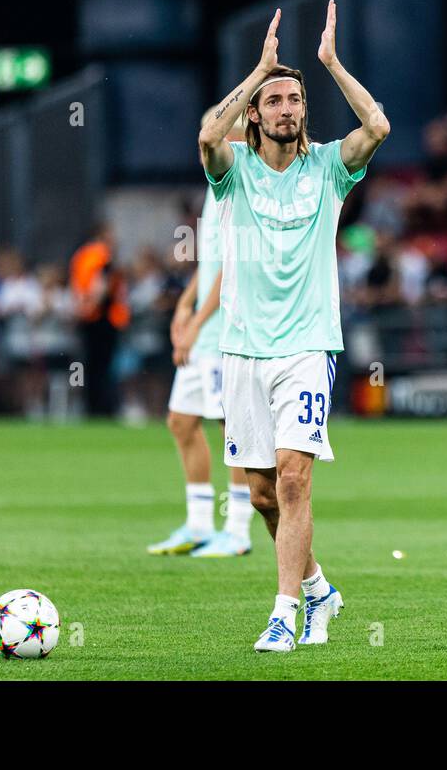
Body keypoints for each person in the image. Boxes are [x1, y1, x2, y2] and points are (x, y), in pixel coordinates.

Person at [199, 1, 389, 651]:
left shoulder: (331, 168)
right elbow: (205, 138)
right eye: (274, 100)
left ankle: (285, 613)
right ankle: (317, 588)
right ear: (256, 112)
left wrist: (330, 64)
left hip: (309, 344)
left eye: (292, 100)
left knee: (293, 476)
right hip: (243, 348)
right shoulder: (235, 175)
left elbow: (379, 123)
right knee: (260, 496)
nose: (286, 109)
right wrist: (257, 71)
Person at [148, 110, 253, 559]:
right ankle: (196, 524)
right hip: (204, 324)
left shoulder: (243, 182)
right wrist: (185, 303)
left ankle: (238, 530)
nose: (204, 138)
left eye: (214, 129)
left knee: (231, 428)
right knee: (181, 420)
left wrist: (196, 323)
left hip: (225, 329)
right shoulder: (215, 186)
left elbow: (233, 268)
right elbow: (211, 261)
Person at [70, 222, 129, 416]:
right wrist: (92, 305)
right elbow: (101, 282)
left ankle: (89, 406)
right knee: (103, 365)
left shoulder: (81, 255)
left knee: (88, 363)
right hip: (103, 317)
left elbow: (77, 286)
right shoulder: (102, 253)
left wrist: (81, 308)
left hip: (86, 316)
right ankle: (104, 407)